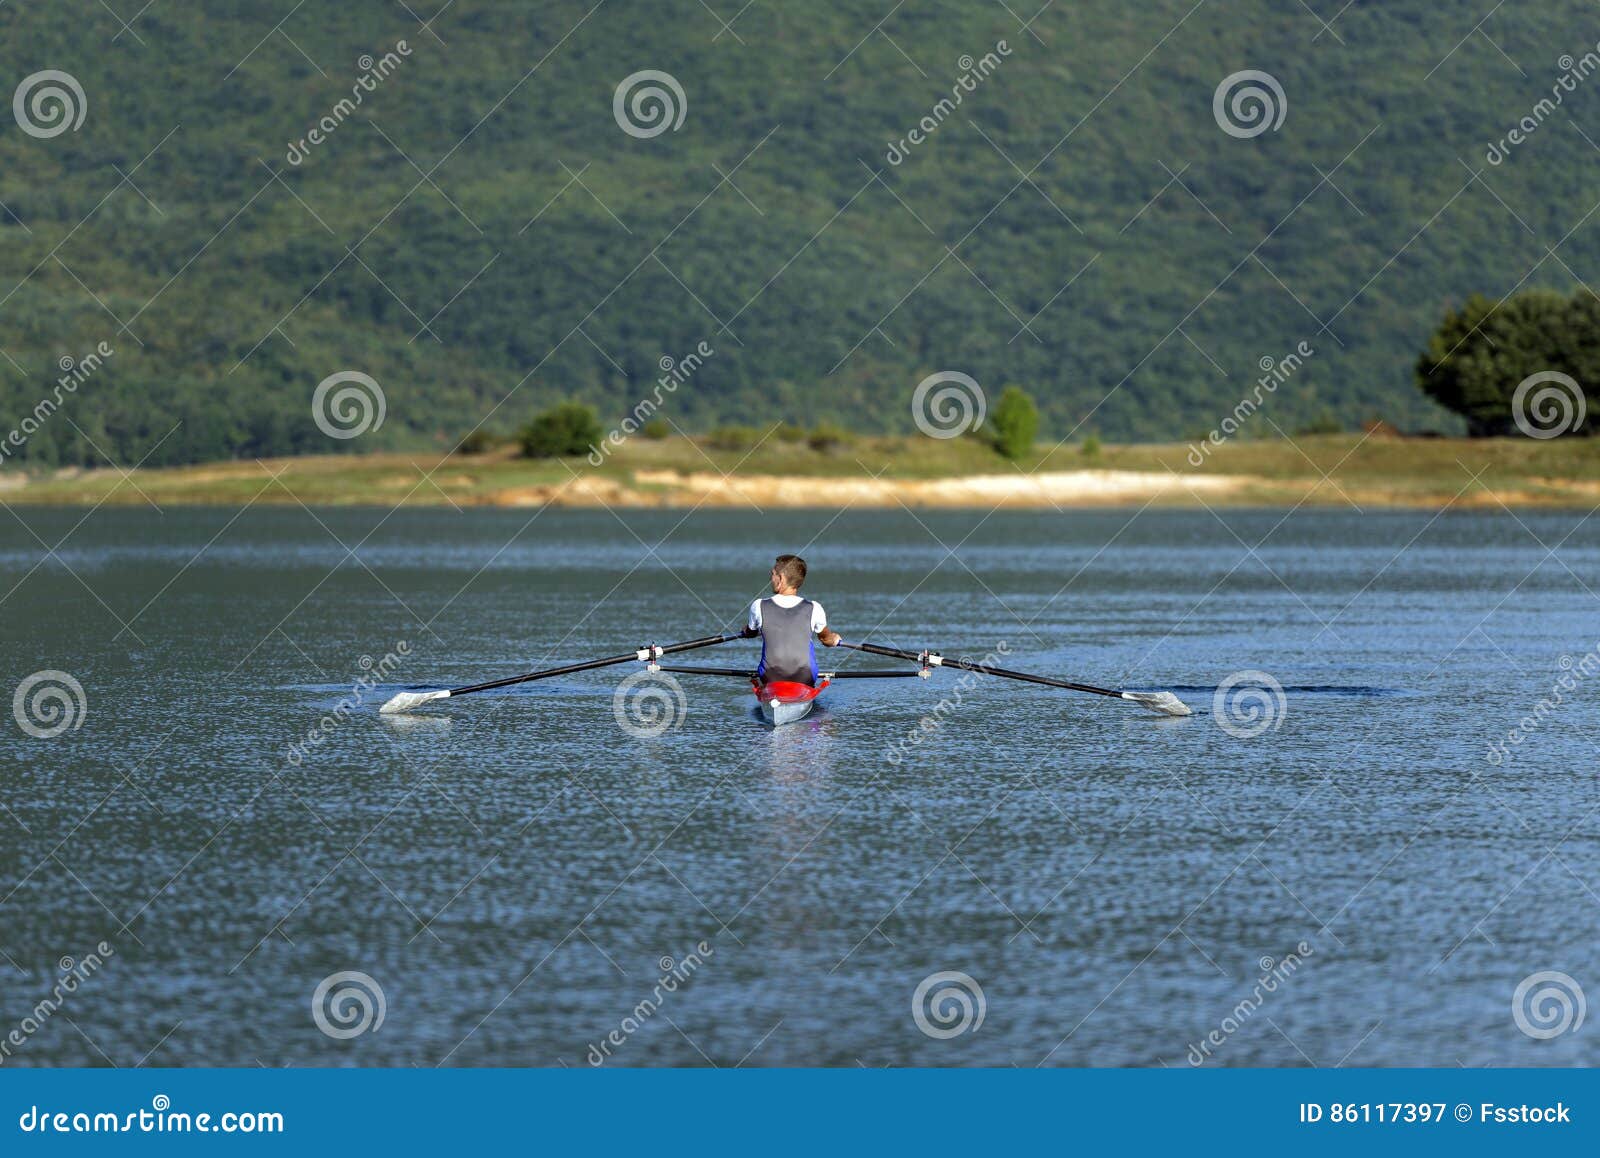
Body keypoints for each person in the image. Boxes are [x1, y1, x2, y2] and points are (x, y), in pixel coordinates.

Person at [745, 554, 839, 687]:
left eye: (773, 574)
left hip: (770, 677)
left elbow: (750, 633)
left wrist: (746, 630)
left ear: (781, 578)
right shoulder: (814, 608)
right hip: (804, 677)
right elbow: (825, 639)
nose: (771, 578)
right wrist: (833, 638)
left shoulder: (758, 605)